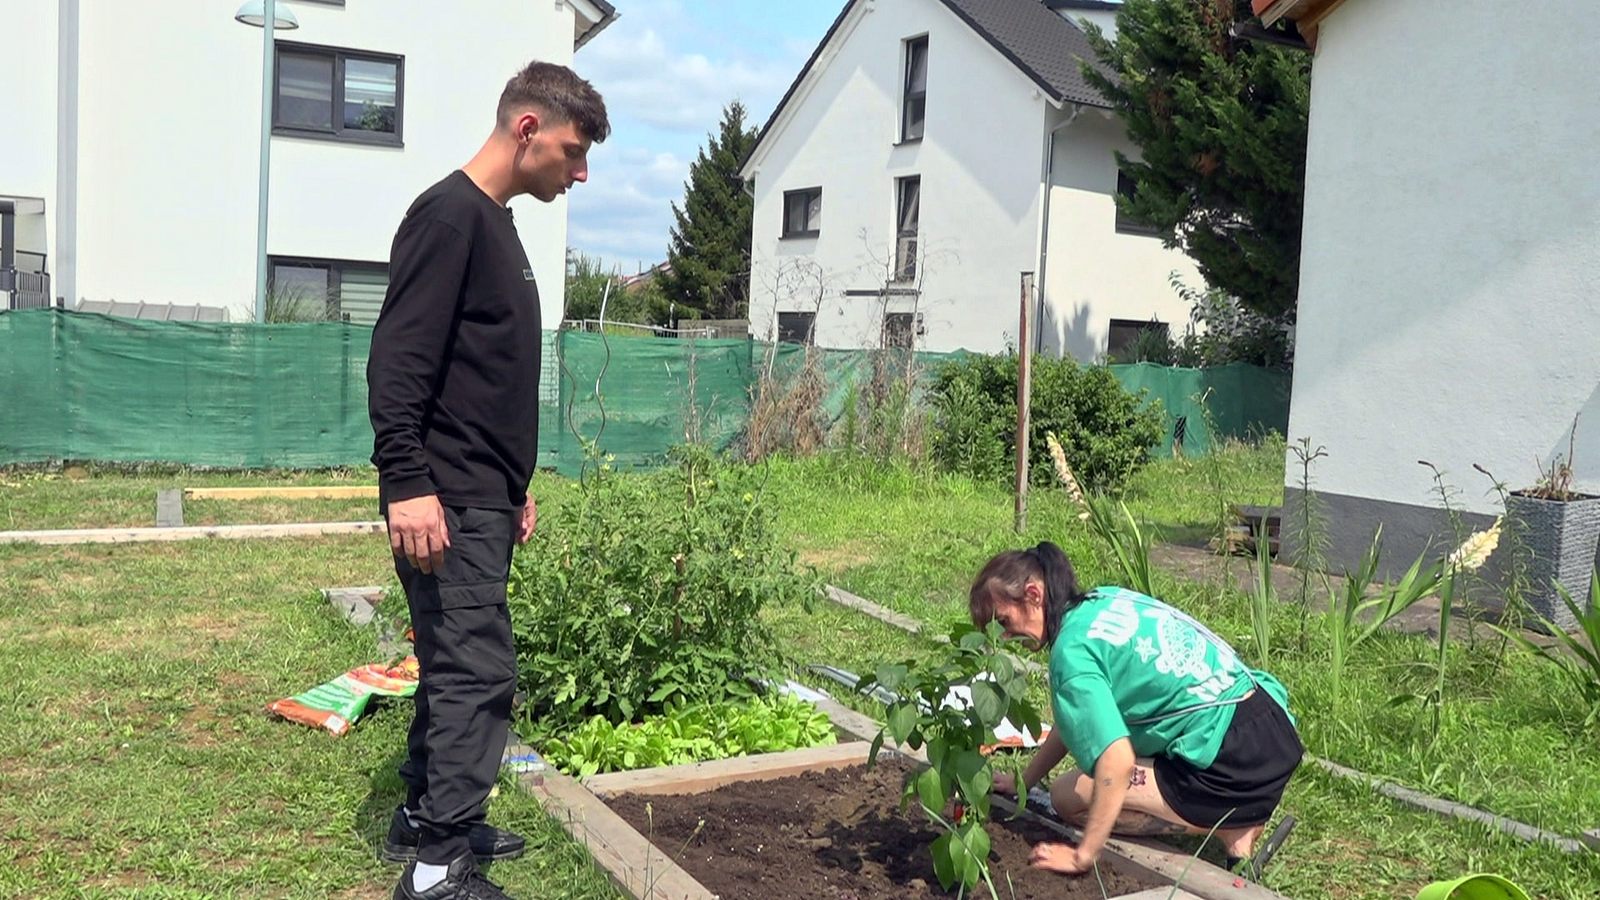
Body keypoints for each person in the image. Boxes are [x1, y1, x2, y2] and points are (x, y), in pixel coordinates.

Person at [366, 60, 608, 900]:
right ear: (527, 129)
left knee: (451, 659)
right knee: (477, 670)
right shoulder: (449, 216)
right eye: (574, 151)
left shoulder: (494, 222)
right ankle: (437, 869)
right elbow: (398, 362)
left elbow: (478, 376)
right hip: (443, 496)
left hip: (480, 494)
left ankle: (423, 817)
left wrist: (512, 487)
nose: (581, 173)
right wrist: (407, 481)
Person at [971, 542, 1301, 878]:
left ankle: (1231, 823)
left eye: (1004, 621)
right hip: (1269, 726)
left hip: (1230, 761)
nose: (1005, 637)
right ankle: (1236, 813)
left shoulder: (1071, 653)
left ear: (1033, 595)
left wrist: (1082, 855)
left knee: (1068, 797)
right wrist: (1023, 782)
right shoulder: (1100, 601)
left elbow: (1118, 762)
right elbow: (1077, 720)